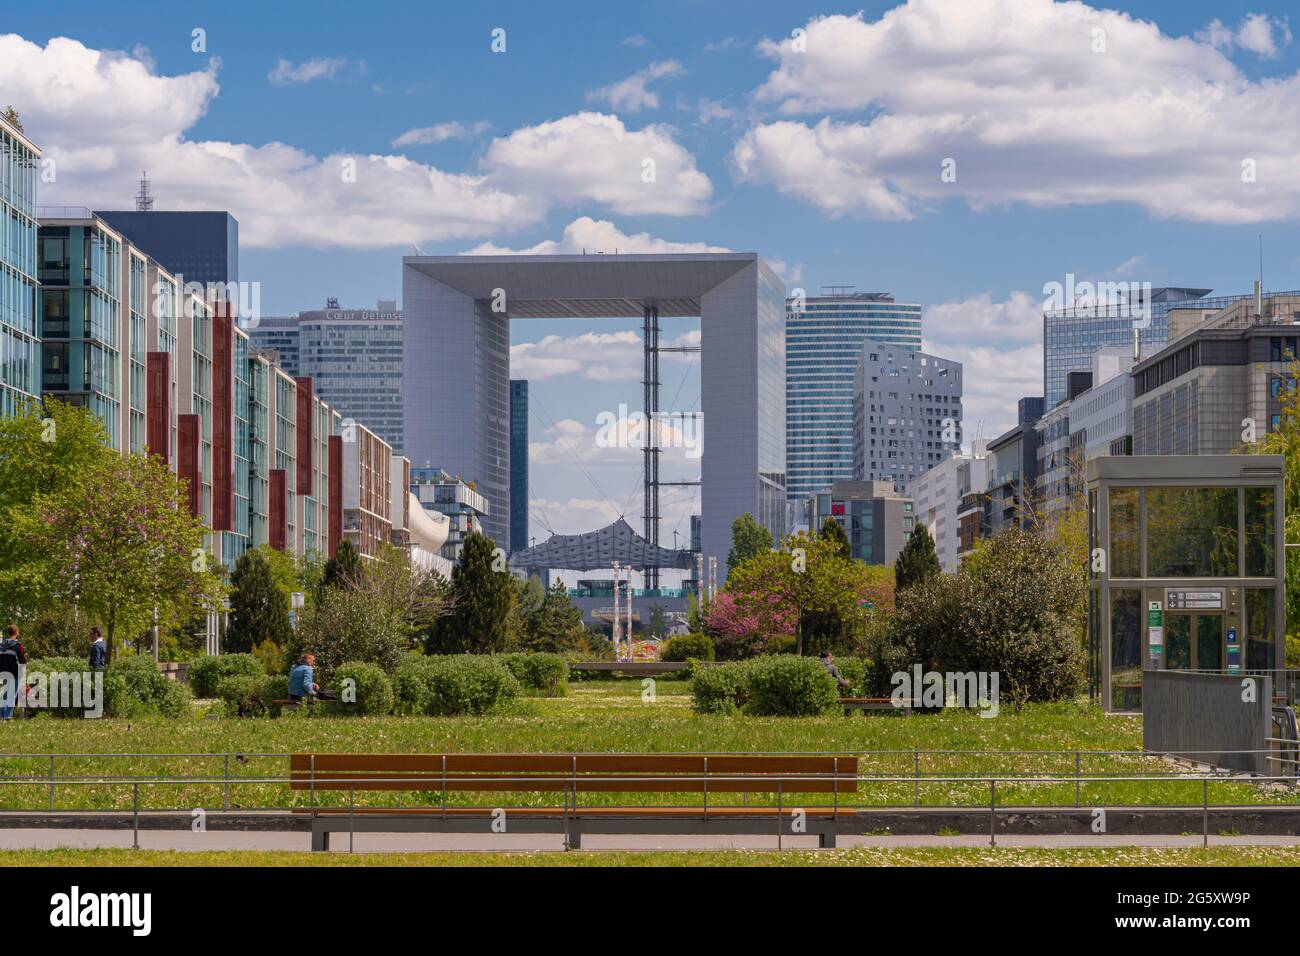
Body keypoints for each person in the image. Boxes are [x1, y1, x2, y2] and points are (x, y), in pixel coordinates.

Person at [0, 625, 26, 720]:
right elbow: (22, 661)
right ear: (16, 633)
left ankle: (1, 715)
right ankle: (7, 716)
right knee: (12, 695)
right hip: (16, 673)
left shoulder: (2, 645)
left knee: (5, 695)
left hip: (4, 673)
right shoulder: (18, 646)